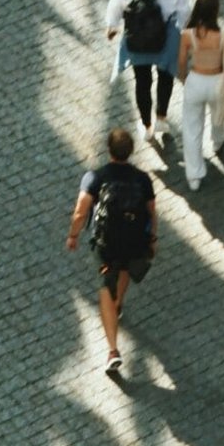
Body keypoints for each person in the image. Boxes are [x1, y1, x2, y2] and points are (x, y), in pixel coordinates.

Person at [65, 127, 157, 378]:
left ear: (109, 150)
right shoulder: (142, 179)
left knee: (106, 284)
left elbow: (81, 212)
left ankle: (113, 351)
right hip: (135, 241)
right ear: (131, 151)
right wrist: (152, 239)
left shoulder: (95, 178)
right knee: (124, 268)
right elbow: (151, 211)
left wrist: (73, 235)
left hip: (107, 244)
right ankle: (118, 305)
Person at [105, 0, 190, 151]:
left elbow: (114, 8)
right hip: (164, 39)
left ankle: (146, 125)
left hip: (137, 41)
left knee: (142, 82)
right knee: (165, 77)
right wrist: (180, 29)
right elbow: (184, 12)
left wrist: (113, 27)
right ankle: (161, 117)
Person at [177, 0, 224, 192]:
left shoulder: (187, 35)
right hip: (216, 81)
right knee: (218, 115)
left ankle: (194, 175)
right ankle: (218, 140)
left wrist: (184, 78)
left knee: (192, 128)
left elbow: (181, 61)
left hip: (196, 80)